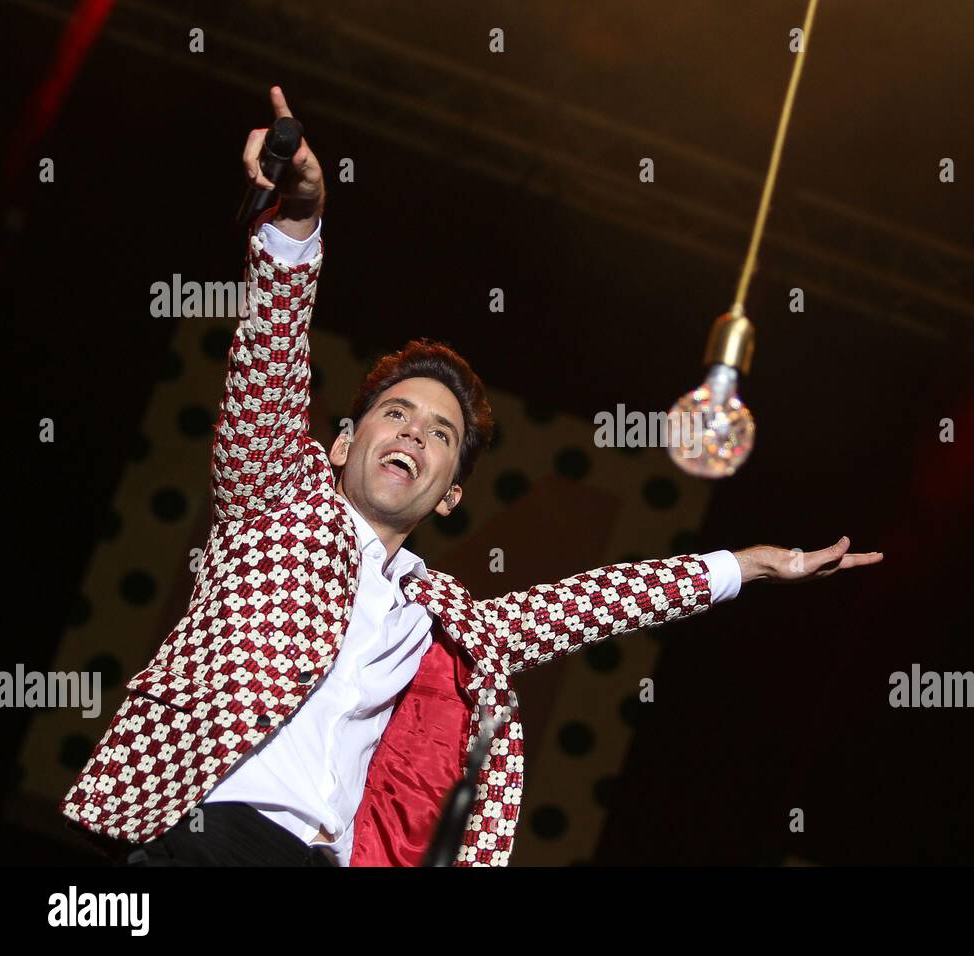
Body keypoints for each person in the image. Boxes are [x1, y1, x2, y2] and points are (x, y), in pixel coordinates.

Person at [59, 86, 884, 867]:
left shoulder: (447, 620)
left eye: (441, 435)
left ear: (450, 492)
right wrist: (299, 220)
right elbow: (269, 363)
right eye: (397, 414)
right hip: (206, 838)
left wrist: (747, 565)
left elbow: (594, 602)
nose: (415, 432)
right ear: (342, 445)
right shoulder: (274, 500)